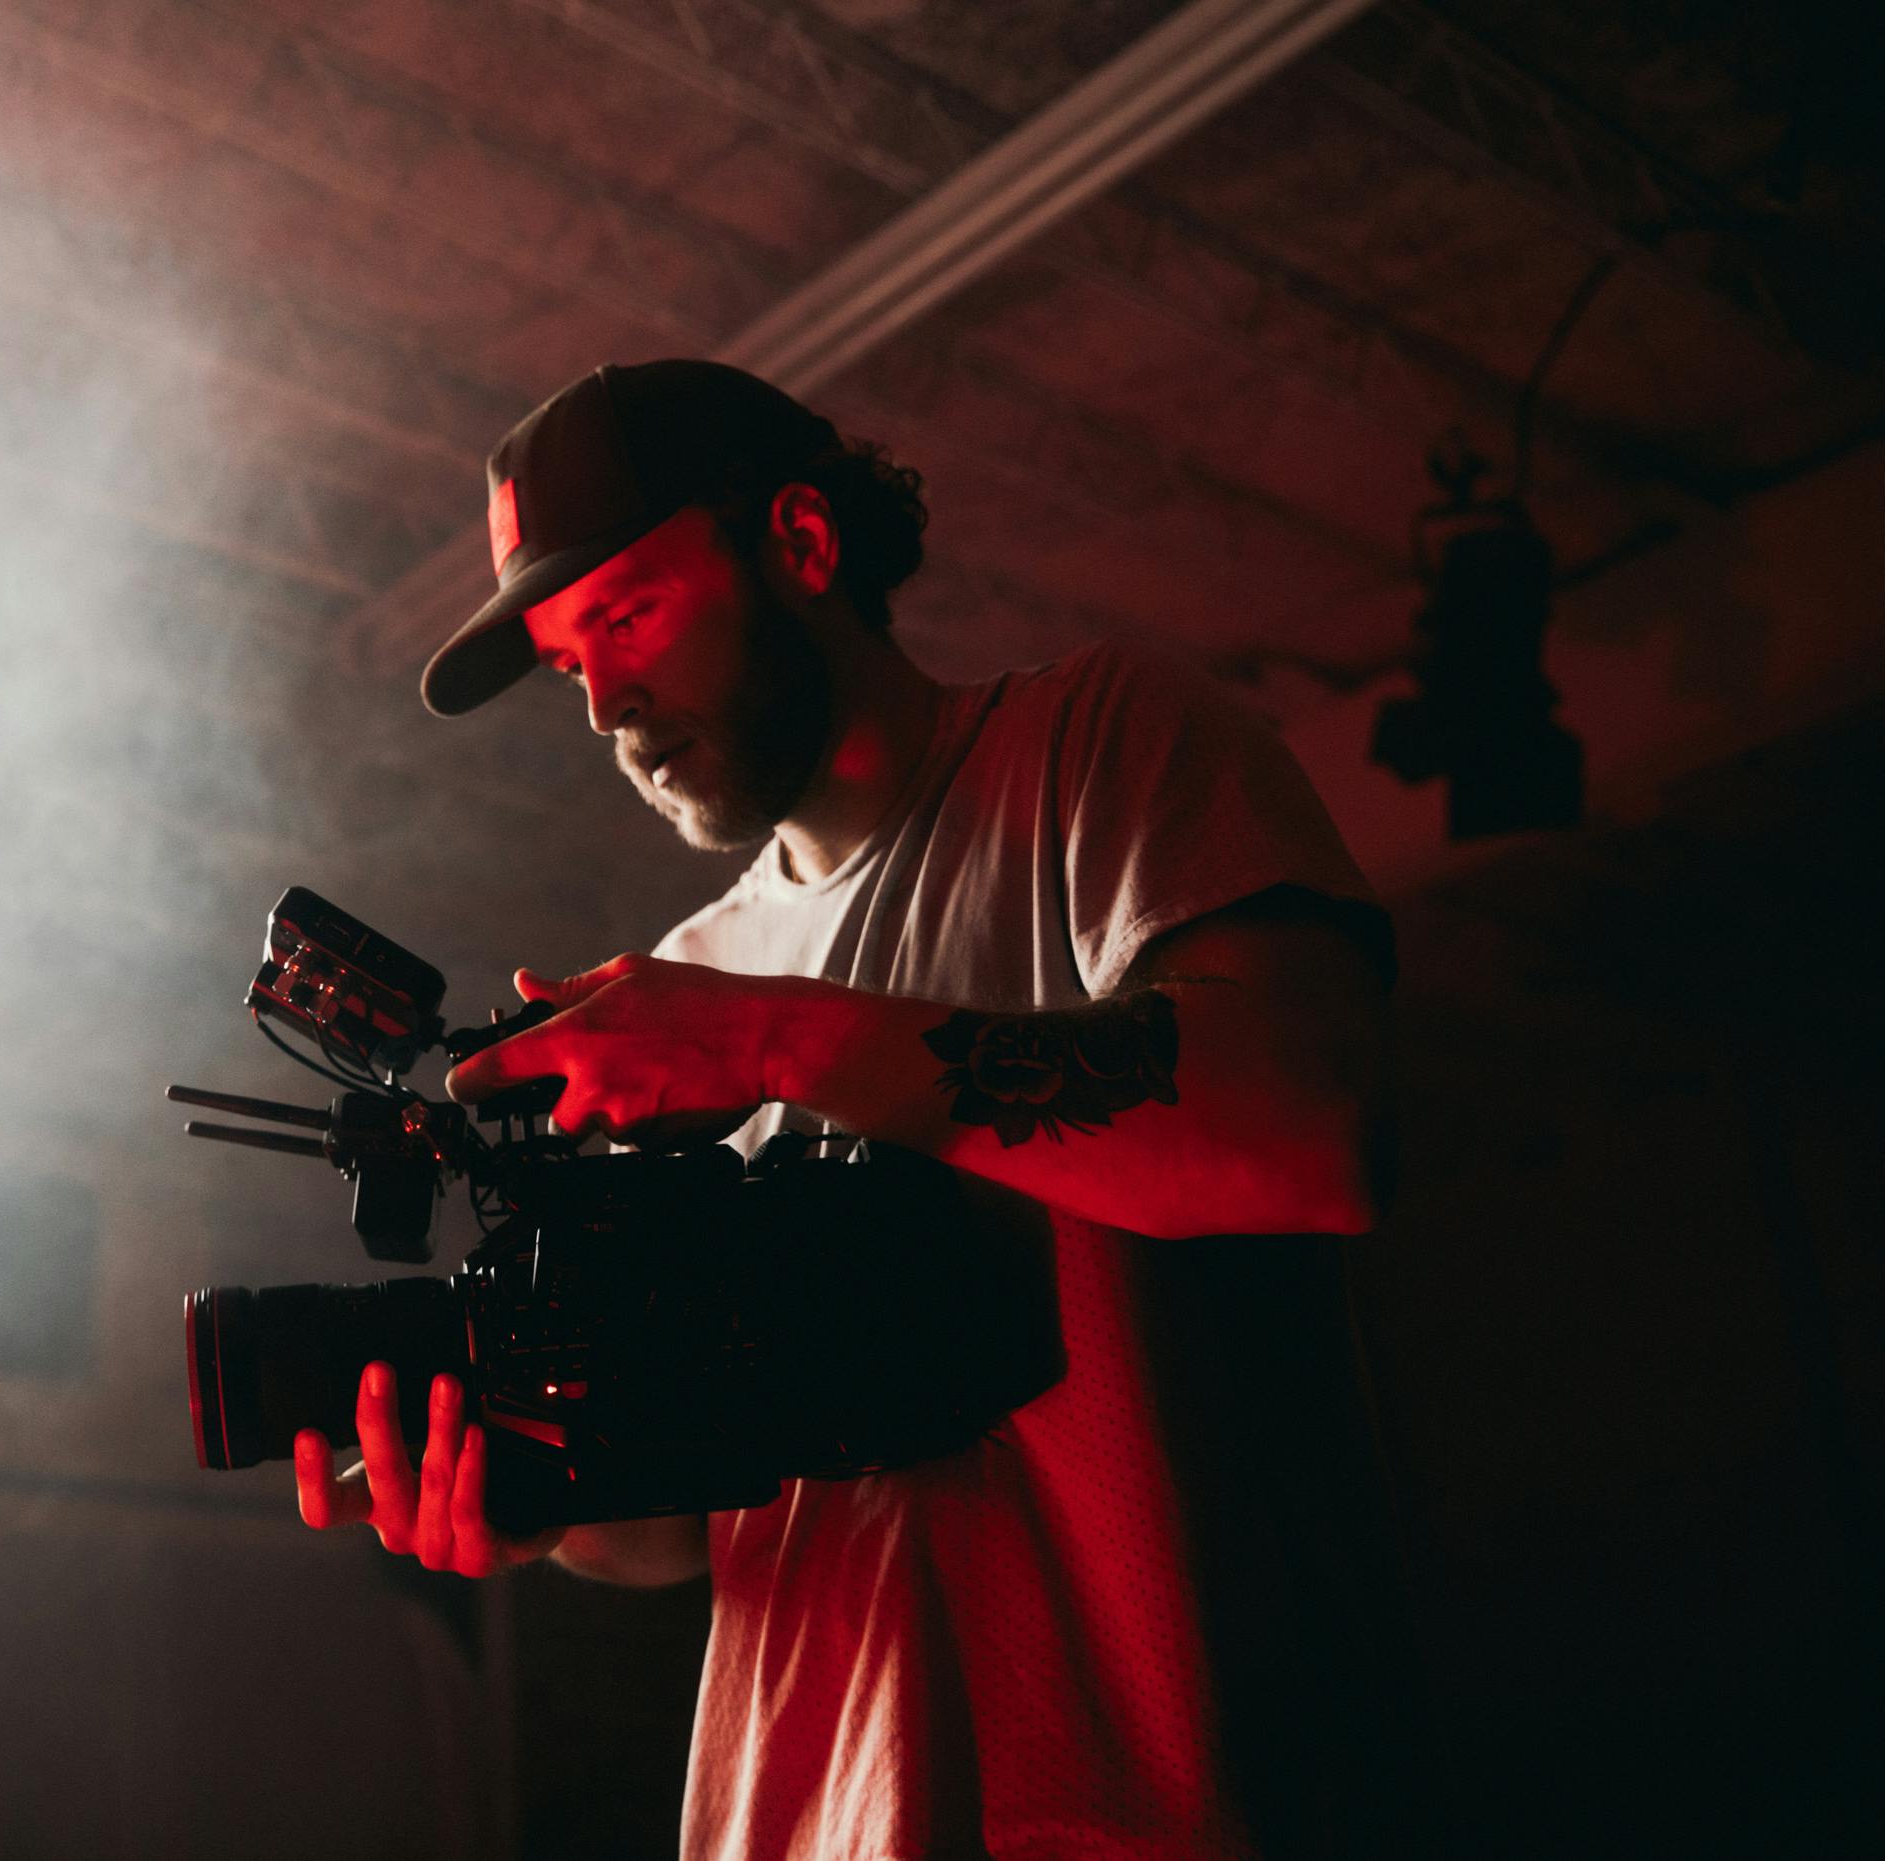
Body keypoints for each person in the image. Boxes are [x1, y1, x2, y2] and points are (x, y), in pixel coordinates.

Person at [293, 360, 1414, 1860]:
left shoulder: (1099, 746)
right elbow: (705, 1508)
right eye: (572, 666)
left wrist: (768, 1039)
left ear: (803, 544)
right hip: (806, 1815)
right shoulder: (682, 982)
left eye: (626, 616)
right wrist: (542, 1500)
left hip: (1170, 1803)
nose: (608, 705)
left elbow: (1303, 1124)